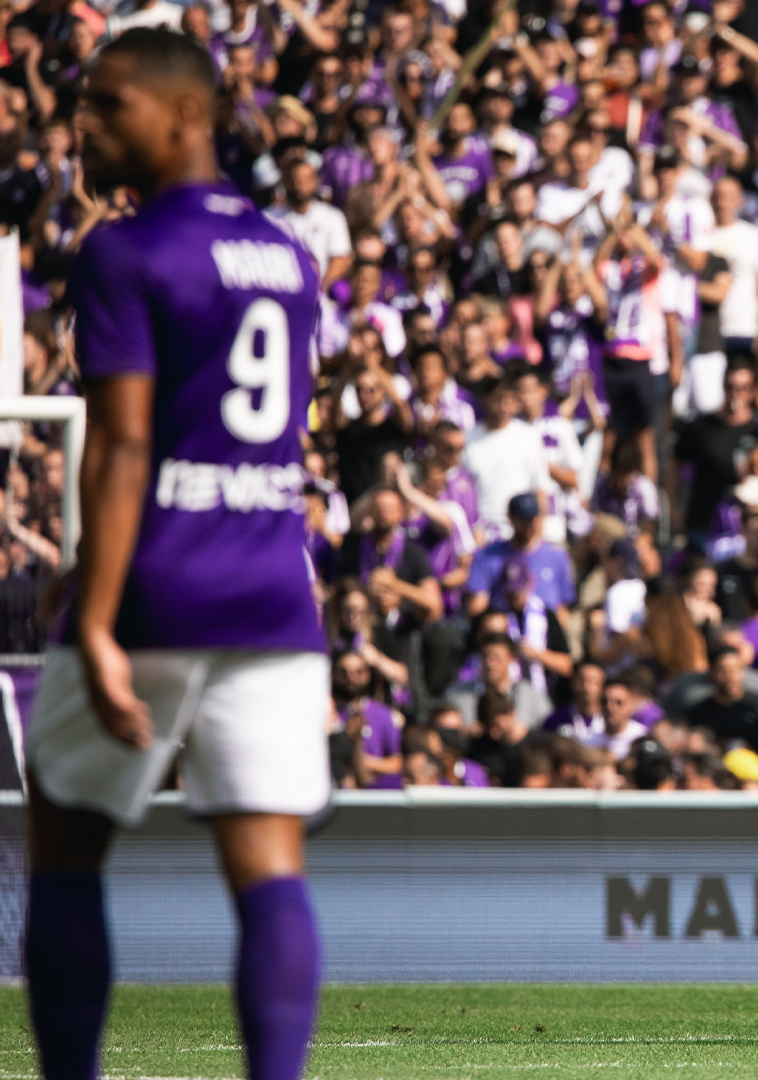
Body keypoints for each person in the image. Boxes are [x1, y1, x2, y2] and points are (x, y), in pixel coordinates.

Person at [25, 31, 326, 1080]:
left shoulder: (126, 249)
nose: (86, 125)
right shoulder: (288, 255)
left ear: (186, 116)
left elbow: (123, 450)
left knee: (64, 844)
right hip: (273, 593)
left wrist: (96, 618)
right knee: (267, 869)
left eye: (110, 105)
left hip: (158, 589)